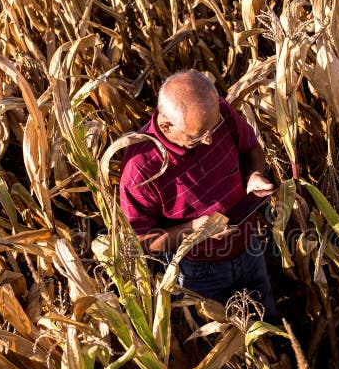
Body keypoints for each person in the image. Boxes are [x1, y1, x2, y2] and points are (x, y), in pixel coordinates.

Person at [119, 70, 278, 321]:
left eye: (212, 129)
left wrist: (254, 175)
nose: (209, 140)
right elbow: (143, 239)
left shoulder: (216, 114)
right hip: (200, 273)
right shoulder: (140, 167)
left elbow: (251, 149)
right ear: (166, 126)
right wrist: (197, 229)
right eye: (196, 137)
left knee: (267, 320)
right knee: (218, 345)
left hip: (249, 248)